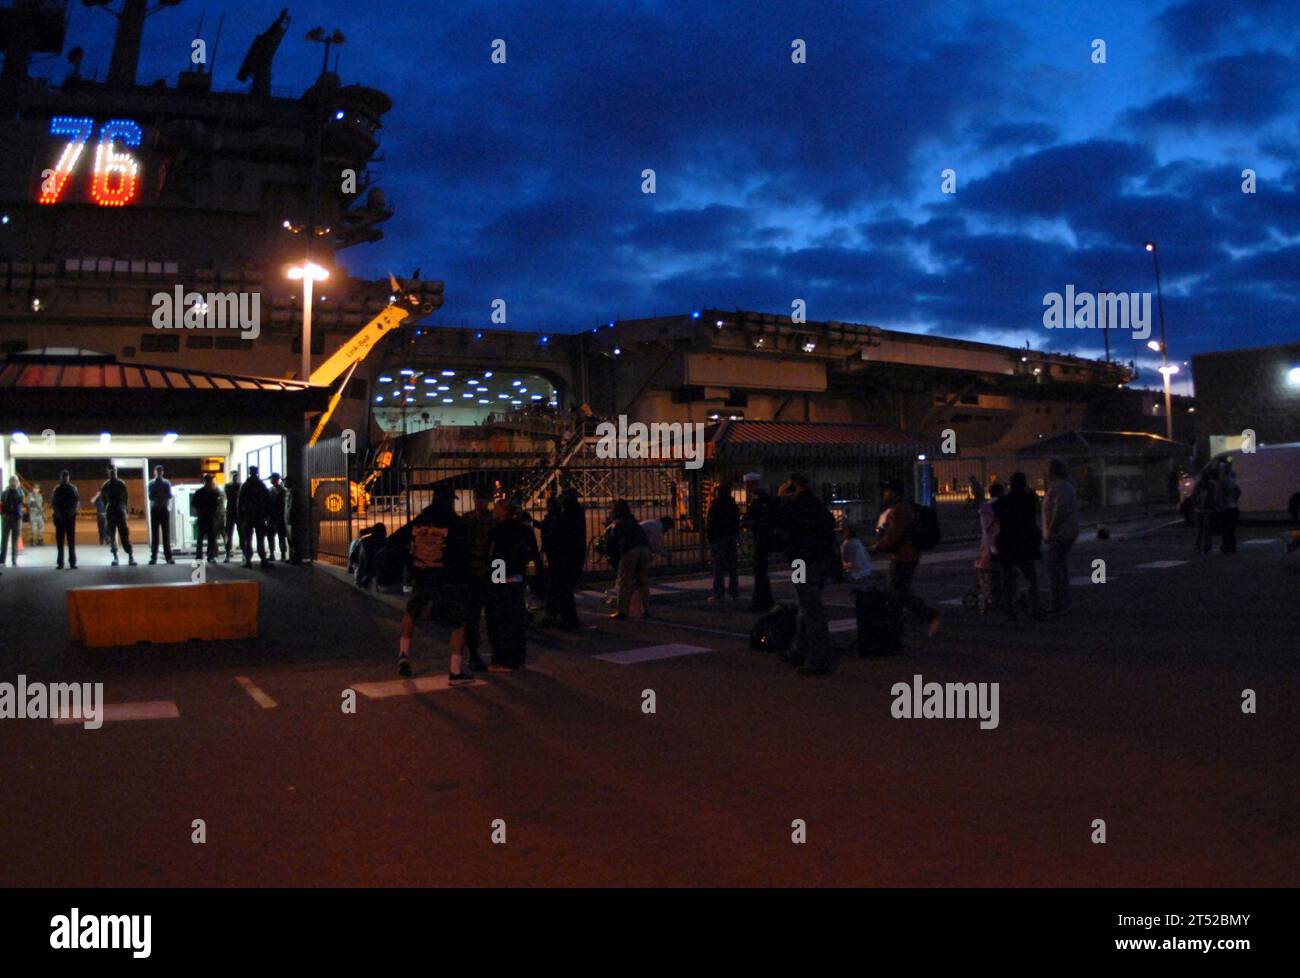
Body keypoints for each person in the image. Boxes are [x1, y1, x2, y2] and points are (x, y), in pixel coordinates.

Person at [398, 487, 473, 683]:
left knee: (411, 613)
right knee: (458, 623)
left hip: (421, 575)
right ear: (449, 501)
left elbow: (401, 541)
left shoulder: (420, 520)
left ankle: (404, 654)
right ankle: (455, 671)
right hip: (445, 578)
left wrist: (411, 565)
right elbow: (463, 552)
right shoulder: (455, 523)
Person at [775, 473, 837, 675]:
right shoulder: (817, 505)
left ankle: (817, 659)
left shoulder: (794, 507)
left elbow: (780, 523)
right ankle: (800, 650)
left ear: (793, 486)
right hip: (821, 560)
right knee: (807, 605)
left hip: (802, 561)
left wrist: (781, 498)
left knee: (810, 609)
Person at [869, 479, 940, 637]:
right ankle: (896, 626)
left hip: (905, 556)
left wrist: (877, 547)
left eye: (887, 491)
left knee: (898, 590)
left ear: (894, 493)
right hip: (906, 555)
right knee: (897, 590)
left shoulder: (900, 510)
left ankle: (929, 616)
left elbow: (894, 535)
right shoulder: (901, 508)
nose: (884, 494)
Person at [486, 498, 544, 672]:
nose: (493, 510)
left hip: (501, 574)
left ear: (504, 512)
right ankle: (518, 657)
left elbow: (495, 555)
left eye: (496, 508)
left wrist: (495, 578)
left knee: (500, 618)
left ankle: (504, 660)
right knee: (516, 616)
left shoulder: (498, 529)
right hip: (517, 574)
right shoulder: (524, 529)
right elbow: (533, 552)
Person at [993, 472, 1042, 621]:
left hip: (1007, 541)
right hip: (1025, 540)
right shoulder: (1029, 500)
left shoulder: (1003, 501)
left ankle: (1009, 609)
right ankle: (1034, 608)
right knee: (1030, 577)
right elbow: (1036, 510)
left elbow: (997, 516)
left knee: (1007, 578)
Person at [461, 487, 497, 671]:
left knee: (487, 615)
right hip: (477, 574)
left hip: (484, 573)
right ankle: (475, 654)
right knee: (474, 617)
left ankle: (489, 652)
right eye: (479, 499)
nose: (481, 502)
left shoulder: (488, 520)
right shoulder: (487, 520)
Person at [545, 488, 586, 630]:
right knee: (565, 590)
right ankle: (565, 618)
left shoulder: (562, 518)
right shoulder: (577, 515)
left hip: (562, 558)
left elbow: (554, 536)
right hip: (574, 557)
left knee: (562, 590)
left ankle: (567, 619)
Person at [1042, 459, 1080, 614]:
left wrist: (1050, 531)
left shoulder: (1061, 487)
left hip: (1060, 533)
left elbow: (1060, 511)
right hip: (1064, 532)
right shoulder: (1063, 486)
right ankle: (1063, 601)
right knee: (1060, 567)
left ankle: (1058, 603)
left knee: (1054, 569)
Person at [604, 499, 651, 620]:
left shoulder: (616, 523)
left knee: (624, 581)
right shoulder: (633, 521)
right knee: (643, 581)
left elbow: (611, 545)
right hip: (645, 548)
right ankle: (646, 609)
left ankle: (622, 611)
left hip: (630, 549)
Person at [743, 474, 777, 611]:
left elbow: (759, 519)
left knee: (759, 571)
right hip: (764, 537)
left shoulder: (758, 499)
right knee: (761, 571)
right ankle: (765, 600)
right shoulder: (763, 498)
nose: (745, 487)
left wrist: (749, 522)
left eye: (747, 484)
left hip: (761, 538)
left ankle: (760, 601)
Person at [842, 524, 876, 658]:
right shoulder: (858, 542)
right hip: (865, 571)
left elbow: (846, 561)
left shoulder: (847, 544)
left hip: (856, 573)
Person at [706, 484, 741, 603]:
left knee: (718, 568)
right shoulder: (733, 505)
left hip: (718, 539)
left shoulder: (715, 506)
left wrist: (710, 538)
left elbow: (711, 524)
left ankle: (719, 593)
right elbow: (737, 522)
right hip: (731, 537)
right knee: (733, 567)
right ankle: (734, 591)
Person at [975, 482, 1004, 613]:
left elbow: (987, 529)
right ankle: (1002, 595)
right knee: (1003, 571)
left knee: (987, 571)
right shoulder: (1005, 505)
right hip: (1003, 542)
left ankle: (990, 596)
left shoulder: (987, 507)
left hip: (990, 543)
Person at [100, 465, 137, 566]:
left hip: (120, 511)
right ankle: (115, 557)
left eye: (115, 471)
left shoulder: (121, 484)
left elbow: (126, 498)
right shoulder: (106, 485)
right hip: (111, 511)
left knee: (124, 534)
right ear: (108, 472)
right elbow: (103, 499)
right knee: (112, 536)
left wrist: (125, 510)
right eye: (112, 471)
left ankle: (130, 556)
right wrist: (107, 508)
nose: (113, 473)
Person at [237, 466, 272, 568]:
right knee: (260, 539)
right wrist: (267, 514)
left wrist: (240, 515)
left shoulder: (246, 485)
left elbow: (240, 502)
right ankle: (263, 559)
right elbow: (267, 500)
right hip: (259, 516)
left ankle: (248, 560)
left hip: (248, 516)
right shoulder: (261, 485)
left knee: (248, 539)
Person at [51, 471, 80, 570]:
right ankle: (67, 563)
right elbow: (54, 503)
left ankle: (65, 563)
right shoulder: (63, 489)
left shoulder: (60, 489)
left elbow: (76, 502)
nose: (65, 480)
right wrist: (62, 514)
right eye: (64, 478)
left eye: (66, 478)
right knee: (64, 541)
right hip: (65, 518)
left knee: (67, 541)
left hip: (66, 518)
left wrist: (65, 514)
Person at [147, 465, 175, 564]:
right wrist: (161, 495)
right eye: (157, 471)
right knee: (155, 535)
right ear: (155, 472)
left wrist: (159, 495)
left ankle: (168, 557)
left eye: (160, 471)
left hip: (163, 509)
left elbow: (169, 495)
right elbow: (151, 496)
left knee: (166, 534)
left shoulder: (166, 483)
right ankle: (154, 557)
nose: (159, 473)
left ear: (162, 472)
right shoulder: (151, 483)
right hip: (155, 509)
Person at [192, 474, 223, 563]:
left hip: (204, 517)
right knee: (209, 538)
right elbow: (216, 505)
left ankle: (200, 555)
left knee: (204, 538)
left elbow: (194, 503)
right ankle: (209, 556)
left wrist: (200, 509)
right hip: (208, 517)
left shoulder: (200, 492)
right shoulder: (213, 492)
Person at [1215, 459, 1241, 555]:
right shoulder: (1231, 480)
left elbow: (1218, 495)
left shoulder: (1222, 481)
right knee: (1231, 530)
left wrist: (1219, 504)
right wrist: (1234, 499)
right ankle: (1232, 547)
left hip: (1226, 508)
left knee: (1226, 530)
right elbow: (1238, 491)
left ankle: (1226, 548)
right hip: (1233, 507)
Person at [1192, 464, 1218, 555]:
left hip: (1199, 510)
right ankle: (1206, 548)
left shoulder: (1198, 485)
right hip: (1207, 510)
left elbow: (1194, 497)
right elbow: (1214, 497)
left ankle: (1198, 548)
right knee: (1207, 531)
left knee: (1199, 531)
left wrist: (1196, 506)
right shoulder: (1212, 485)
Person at [1, 476, 25, 567]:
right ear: (9, 482)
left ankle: (14, 559)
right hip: (6, 517)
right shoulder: (5, 493)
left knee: (15, 540)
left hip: (16, 518)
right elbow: (2, 503)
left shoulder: (20, 492)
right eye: (12, 481)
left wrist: (16, 489)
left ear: (17, 482)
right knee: (4, 540)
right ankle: (2, 559)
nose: (13, 483)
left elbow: (20, 499)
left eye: (15, 481)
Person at [267, 473, 289, 561]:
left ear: (275, 479)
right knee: (274, 536)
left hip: (277, 516)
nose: (270, 480)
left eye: (271, 479)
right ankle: (275, 553)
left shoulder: (281, 491)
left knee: (280, 536)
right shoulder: (280, 490)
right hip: (274, 516)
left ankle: (281, 553)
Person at [223, 470, 242, 563]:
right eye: (233, 475)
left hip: (237, 511)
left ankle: (243, 555)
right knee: (229, 534)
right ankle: (227, 554)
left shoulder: (240, 486)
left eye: (236, 475)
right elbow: (229, 495)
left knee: (241, 534)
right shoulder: (230, 486)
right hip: (232, 511)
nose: (235, 477)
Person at [282, 475, 301, 563]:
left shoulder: (293, 492)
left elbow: (292, 507)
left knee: (294, 539)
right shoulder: (288, 492)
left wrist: (290, 518)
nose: (284, 483)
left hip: (292, 519)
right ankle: (292, 557)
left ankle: (295, 557)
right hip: (288, 519)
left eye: (285, 481)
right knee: (290, 539)